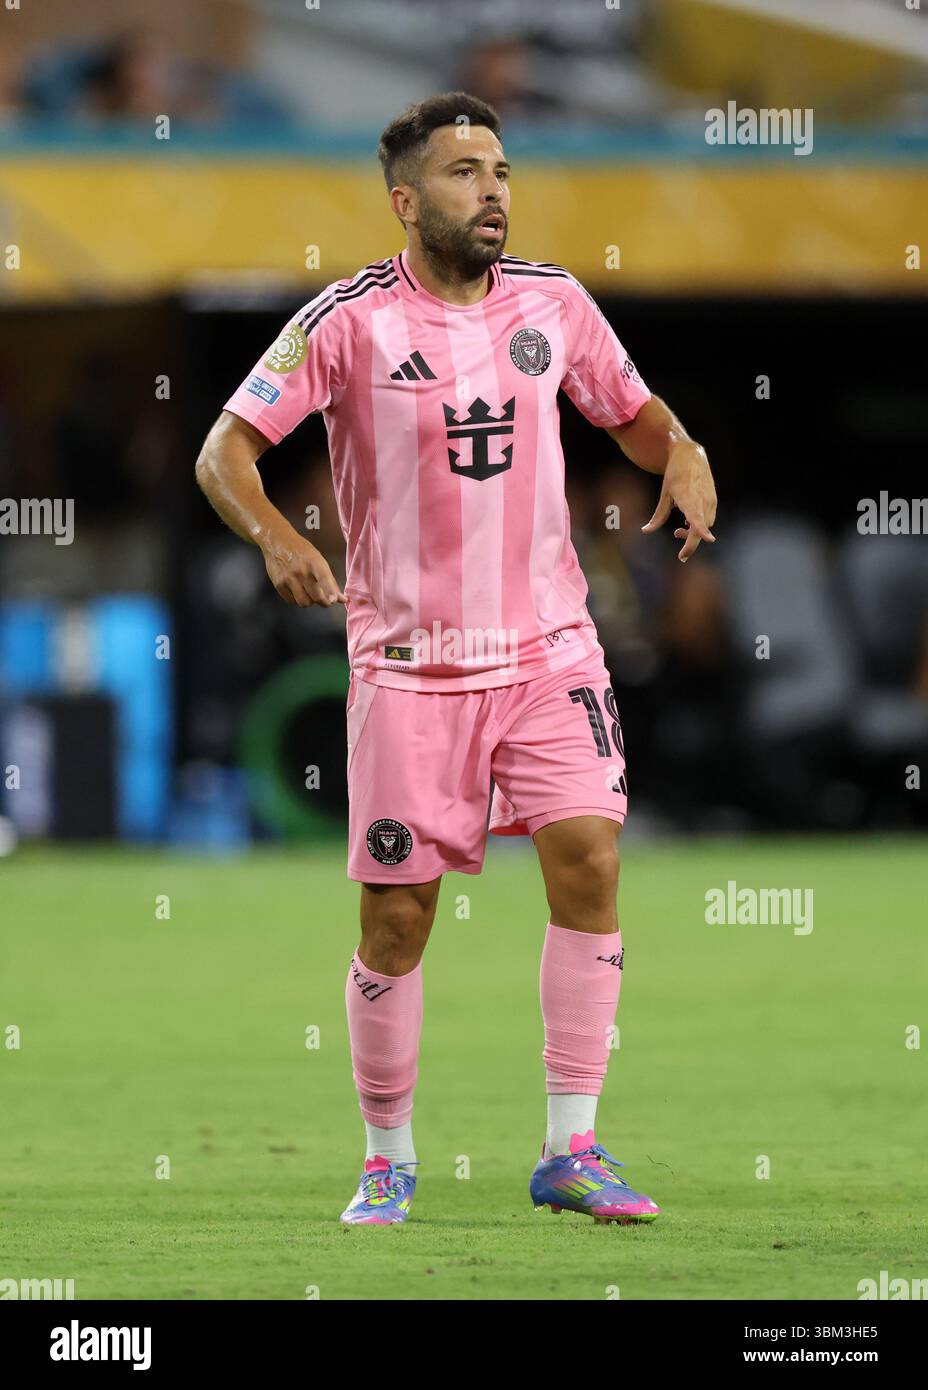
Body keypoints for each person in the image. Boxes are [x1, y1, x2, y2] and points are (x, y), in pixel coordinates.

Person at [195, 92, 717, 1227]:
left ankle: (570, 1149)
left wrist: (680, 447)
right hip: (408, 669)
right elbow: (223, 449)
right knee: (398, 921)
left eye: (501, 170)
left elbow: (630, 413)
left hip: (546, 650)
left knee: (588, 857)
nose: (492, 191)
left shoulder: (555, 304)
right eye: (464, 172)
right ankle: (388, 1157)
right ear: (404, 200)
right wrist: (279, 536)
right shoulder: (345, 322)